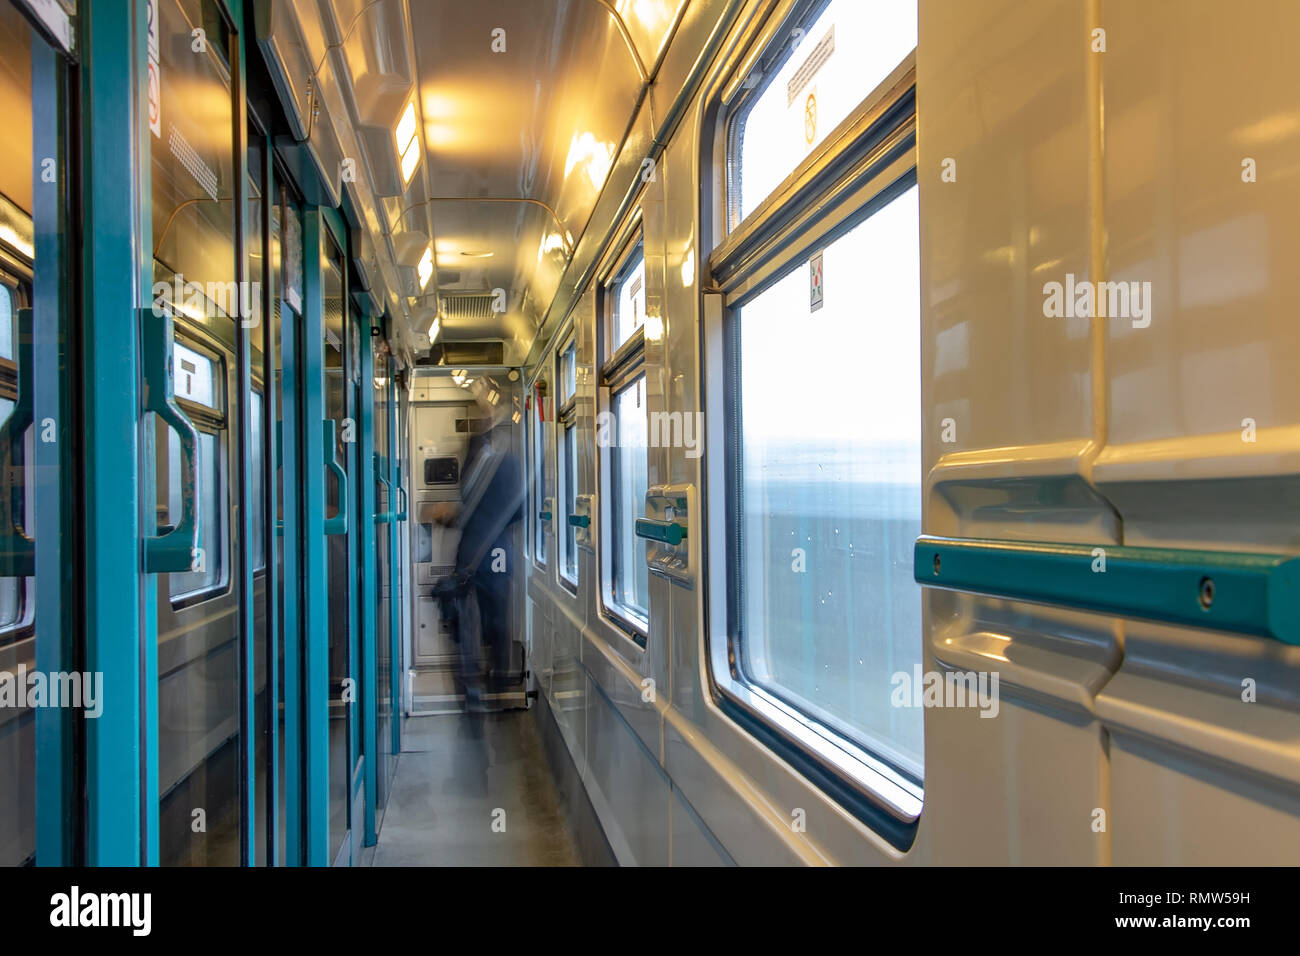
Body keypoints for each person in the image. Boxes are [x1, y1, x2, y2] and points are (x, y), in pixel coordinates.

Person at [430, 380, 524, 709]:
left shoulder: (474, 461)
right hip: (498, 553)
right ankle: (499, 678)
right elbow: (519, 512)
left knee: (466, 621)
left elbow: (461, 510)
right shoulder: (512, 464)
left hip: (470, 553)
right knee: (497, 618)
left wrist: (446, 516)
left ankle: (471, 688)